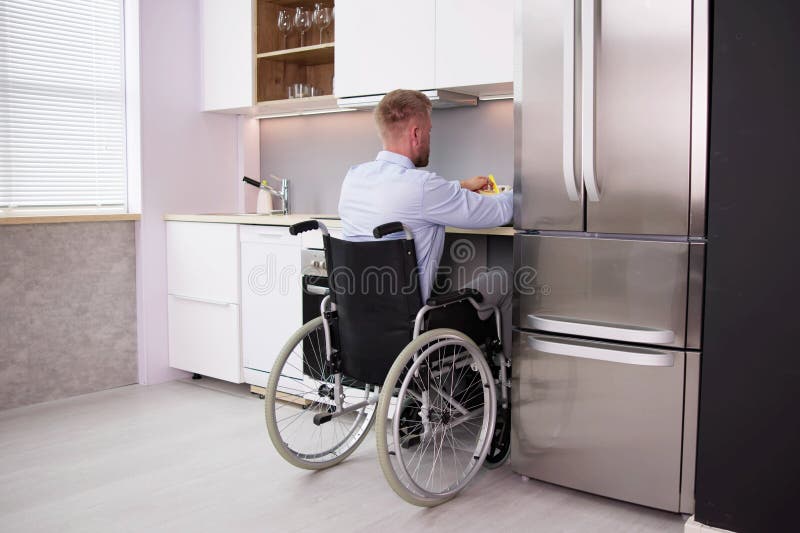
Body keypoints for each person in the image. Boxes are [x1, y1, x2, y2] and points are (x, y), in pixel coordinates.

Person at [338, 89, 513, 356]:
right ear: (416, 133)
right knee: (503, 279)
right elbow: (499, 212)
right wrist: (523, 188)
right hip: (415, 325)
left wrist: (460, 186)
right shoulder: (423, 186)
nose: (430, 138)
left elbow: (410, 195)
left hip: (362, 323)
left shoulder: (353, 178)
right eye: (429, 131)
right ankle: (512, 375)